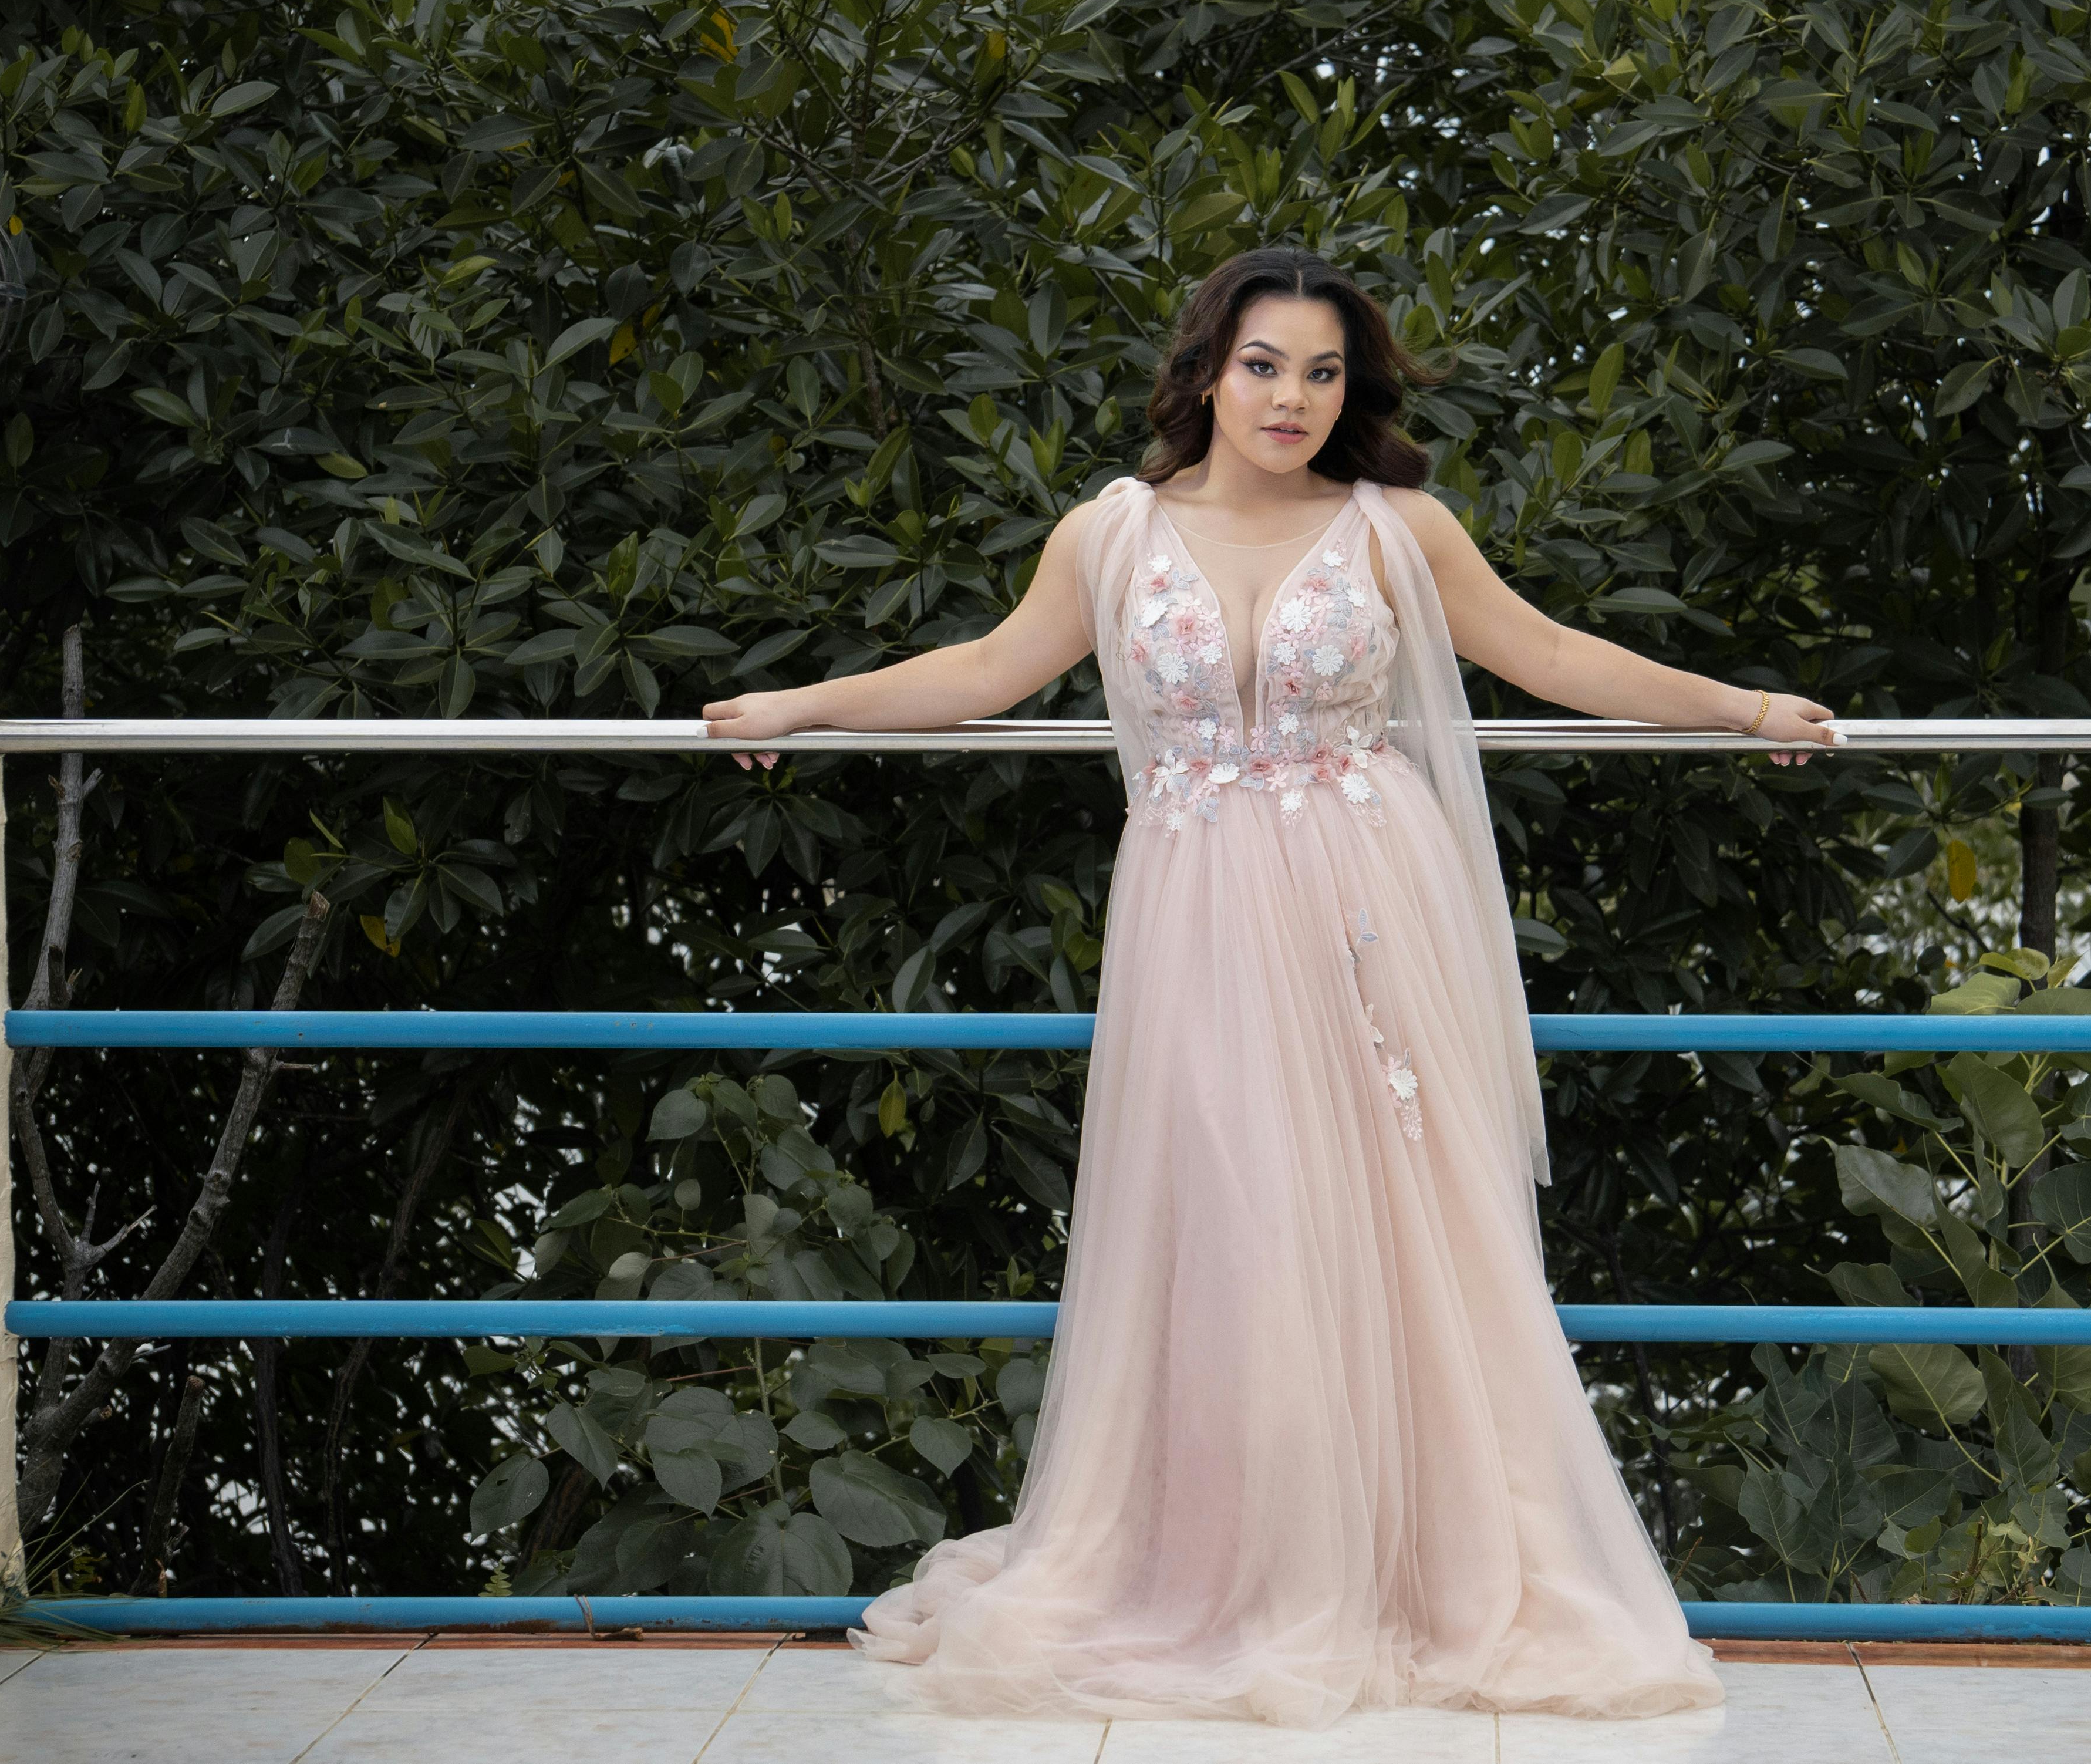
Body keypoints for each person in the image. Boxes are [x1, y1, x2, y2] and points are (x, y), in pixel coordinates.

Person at [702, 248, 1836, 1726]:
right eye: (1262, 365)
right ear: (1206, 372)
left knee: (1393, 1222)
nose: (1291, 397)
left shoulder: (1395, 531)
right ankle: (1233, 1566)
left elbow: (1549, 653)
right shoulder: (1110, 532)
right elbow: (985, 668)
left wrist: (1741, 707)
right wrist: (804, 701)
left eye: (1321, 372)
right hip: (1198, 917)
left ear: (1348, 390)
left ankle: (1404, 1572)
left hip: (1368, 910)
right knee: (1233, 1224)